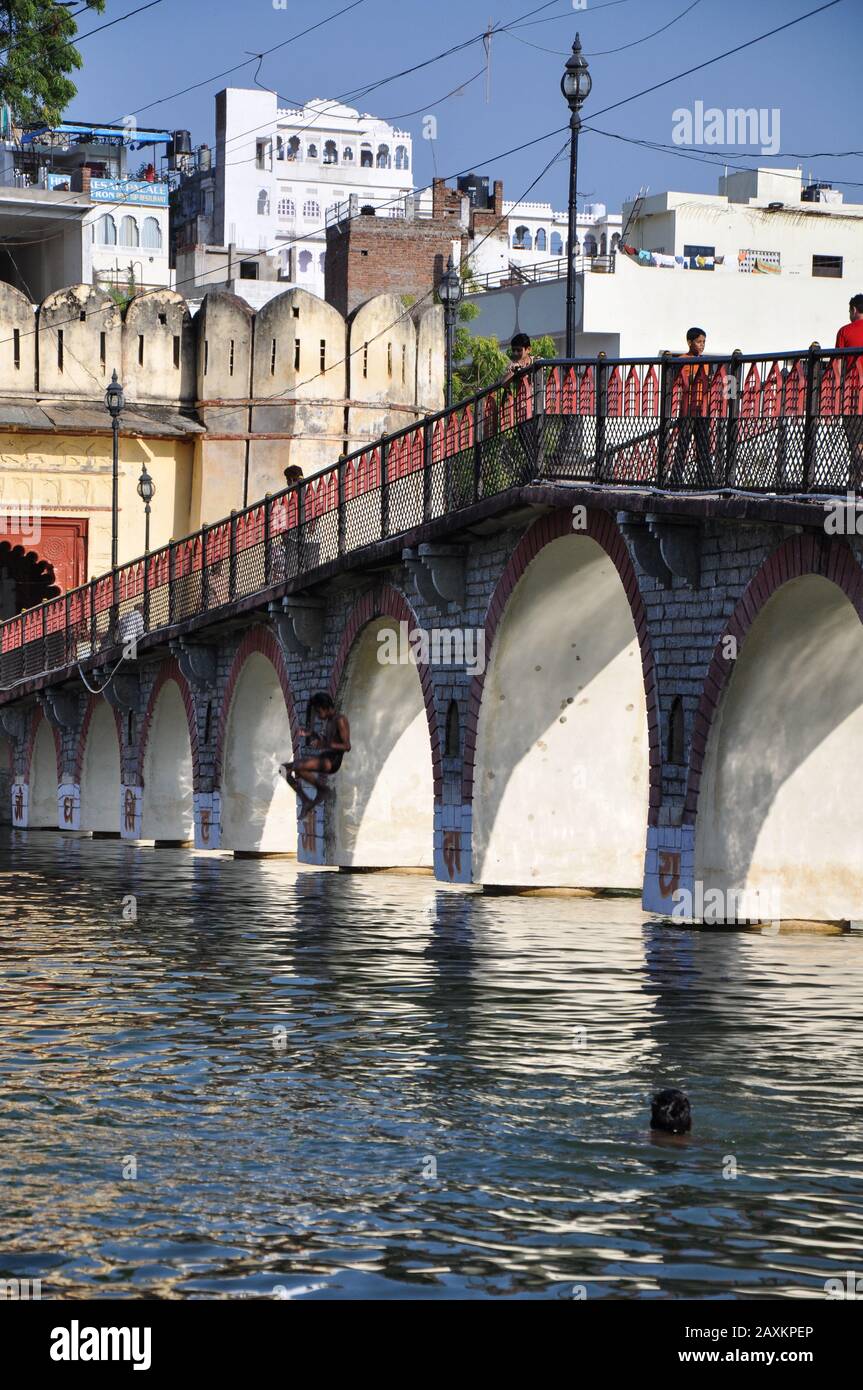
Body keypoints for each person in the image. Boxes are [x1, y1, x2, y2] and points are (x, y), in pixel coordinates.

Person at [279, 691, 350, 819]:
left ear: (326, 707)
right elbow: (328, 739)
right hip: (325, 757)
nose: (317, 715)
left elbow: (346, 746)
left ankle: (321, 790)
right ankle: (306, 799)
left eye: (318, 711)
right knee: (284, 769)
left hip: (332, 761)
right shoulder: (329, 721)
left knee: (293, 767)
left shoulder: (340, 720)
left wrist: (324, 744)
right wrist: (312, 735)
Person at [669, 327, 713, 487]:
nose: (702, 345)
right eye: (699, 342)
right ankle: (675, 480)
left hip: (702, 409)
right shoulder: (683, 360)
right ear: (690, 342)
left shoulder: (706, 362)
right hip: (687, 409)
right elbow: (678, 381)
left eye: (704, 342)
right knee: (683, 445)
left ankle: (706, 481)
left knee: (703, 447)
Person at [836, 295, 863, 487]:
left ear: (854, 310)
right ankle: (854, 483)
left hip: (853, 396)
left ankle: (854, 485)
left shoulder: (845, 331)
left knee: (855, 441)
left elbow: (837, 366)